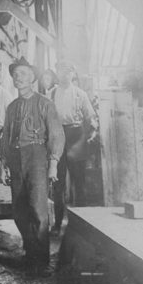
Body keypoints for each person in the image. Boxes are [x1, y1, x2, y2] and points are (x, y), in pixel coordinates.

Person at [1, 61, 64, 273]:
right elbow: (6, 137)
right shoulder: (11, 107)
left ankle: (41, 261)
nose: (18, 78)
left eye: (23, 74)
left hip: (37, 156)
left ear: (32, 79)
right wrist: (3, 164)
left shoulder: (45, 104)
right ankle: (30, 252)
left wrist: (53, 163)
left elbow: (56, 134)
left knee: (38, 209)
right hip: (16, 157)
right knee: (19, 210)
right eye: (15, 74)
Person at [48, 61, 101, 232]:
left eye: (68, 71)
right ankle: (57, 224)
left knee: (79, 182)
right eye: (60, 71)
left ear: (73, 74)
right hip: (58, 137)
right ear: (57, 73)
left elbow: (91, 117)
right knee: (58, 183)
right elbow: (45, 118)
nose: (64, 74)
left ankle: (81, 226)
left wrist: (91, 133)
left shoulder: (80, 94)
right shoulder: (51, 93)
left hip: (76, 137)